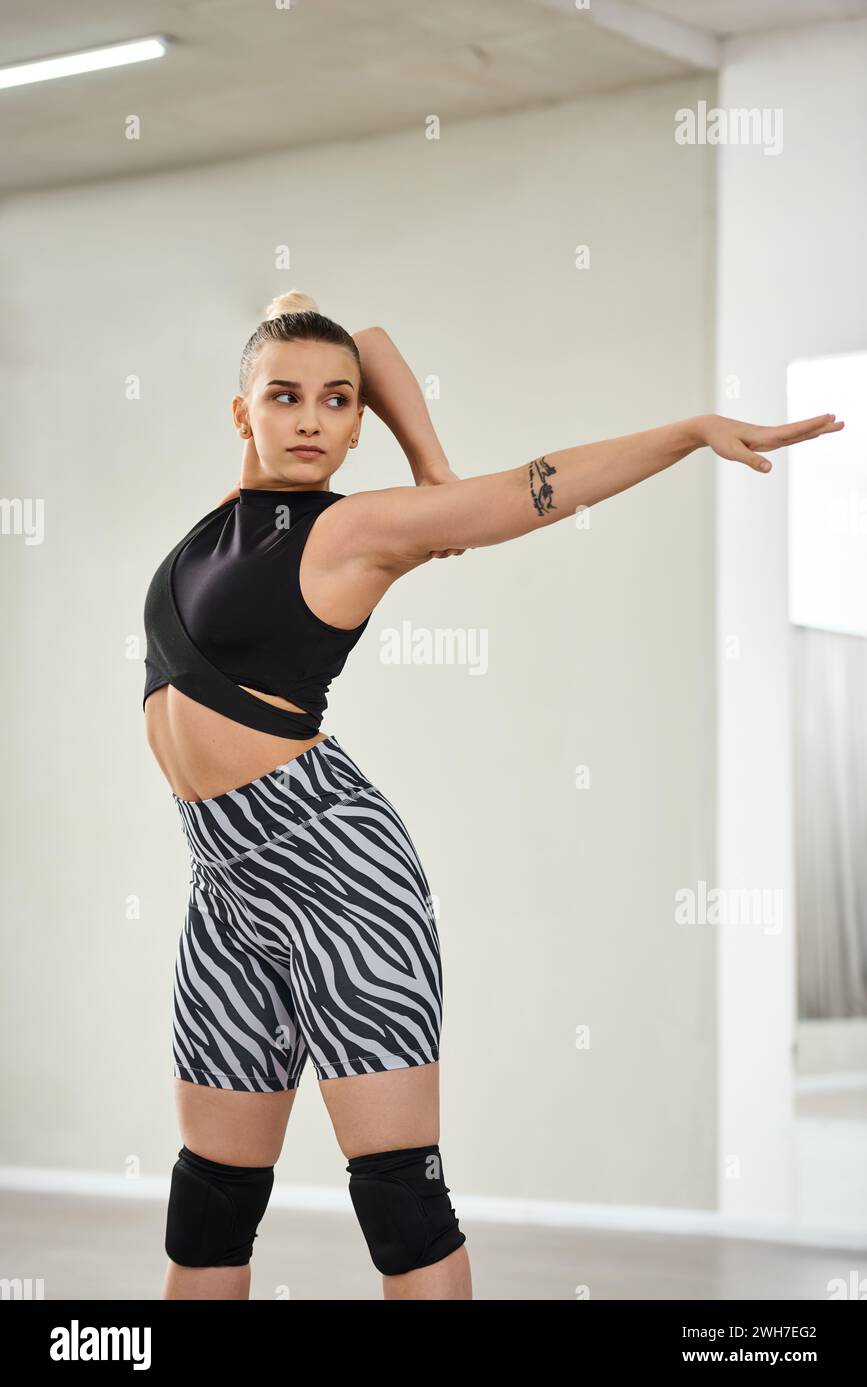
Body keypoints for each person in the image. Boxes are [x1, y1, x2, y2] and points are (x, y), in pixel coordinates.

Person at [142, 289, 843, 1302]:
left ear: (355, 422)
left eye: (339, 402)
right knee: (208, 1206)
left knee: (399, 1200)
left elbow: (535, 488)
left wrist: (689, 432)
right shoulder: (223, 523)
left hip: (338, 876)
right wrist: (416, 445)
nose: (313, 418)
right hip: (223, 883)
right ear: (240, 411)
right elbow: (363, 333)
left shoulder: (358, 529)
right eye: (284, 396)